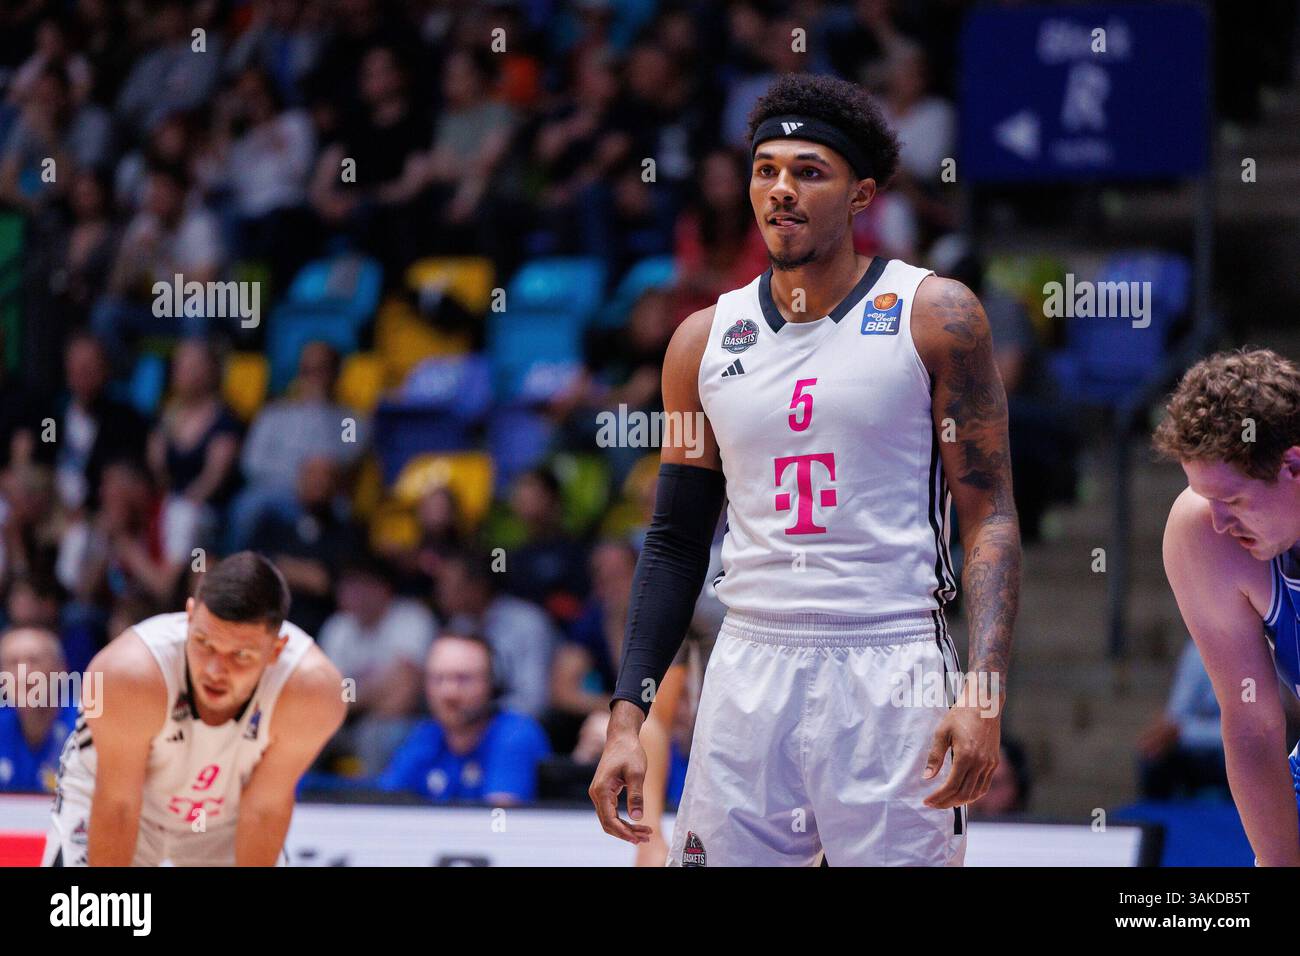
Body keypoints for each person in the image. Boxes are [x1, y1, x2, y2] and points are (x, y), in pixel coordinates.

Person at [590, 73, 1021, 866]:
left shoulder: (936, 314)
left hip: (890, 659)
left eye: (808, 172)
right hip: (748, 664)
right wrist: (627, 717)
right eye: (766, 170)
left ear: (861, 195)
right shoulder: (698, 342)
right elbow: (675, 540)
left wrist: (983, 693)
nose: (781, 190)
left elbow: (989, 514)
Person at [41, 552, 345, 866]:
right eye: (204, 643)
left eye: (240, 655)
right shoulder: (129, 675)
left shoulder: (311, 692)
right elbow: (119, 806)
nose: (215, 670)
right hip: (116, 799)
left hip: (225, 820)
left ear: (276, 650)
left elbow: (264, 809)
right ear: (189, 617)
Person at [1156, 348, 1300, 866]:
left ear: (1294, 465)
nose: (1219, 522)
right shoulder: (1203, 533)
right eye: (1205, 496)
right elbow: (1252, 725)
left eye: (1233, 500)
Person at [378, 633, 550, 805]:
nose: (449, 692)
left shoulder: (514, 735)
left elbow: (499, 817)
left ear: (492, 684)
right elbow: (384, 803)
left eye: (463, 679)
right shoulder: (426, 735)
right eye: (438, 679)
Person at [0, 627, 77, 793]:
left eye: (34, 661)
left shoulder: (89, 727)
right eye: (13, 663)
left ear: (61, 670)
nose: (23, 673)